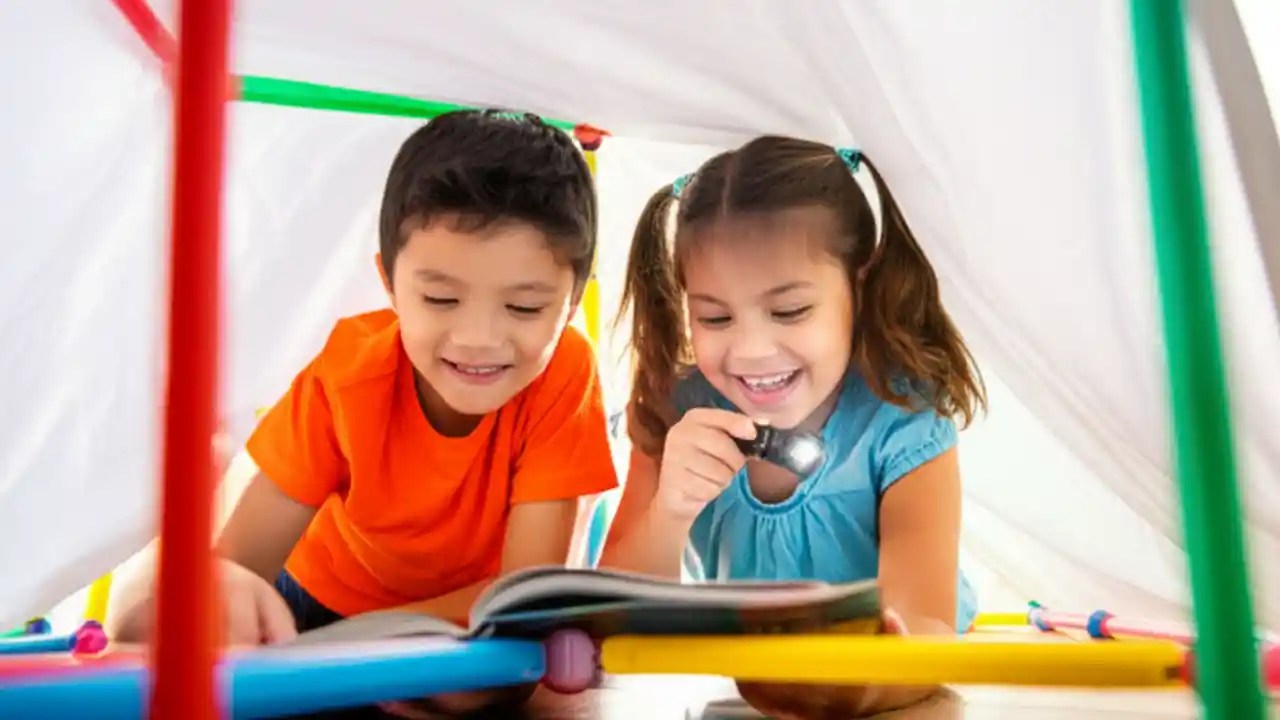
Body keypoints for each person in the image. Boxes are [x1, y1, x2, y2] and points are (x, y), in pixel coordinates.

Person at [109, 109, 618, 716]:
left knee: (487, 683)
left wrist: (386, 639)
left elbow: (523, 598)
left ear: (569, 303)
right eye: (441, 299)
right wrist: (229, 603)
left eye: (526, 308)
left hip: (452, 626)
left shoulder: (566, 372)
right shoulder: (348, 374)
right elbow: (235, 572)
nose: (479, 337)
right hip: (310, 606)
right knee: (167, 619)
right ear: (389, 283)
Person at [598, 135, 986, 716]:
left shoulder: (903, 420)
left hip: (889, 681)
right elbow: (614, 613)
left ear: (860, 284)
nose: (752, 351)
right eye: (714, 317)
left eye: (790, 311)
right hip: (756, 682)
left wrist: (850, 685)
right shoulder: (675, 409)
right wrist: (671, 512)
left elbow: (925, 625)